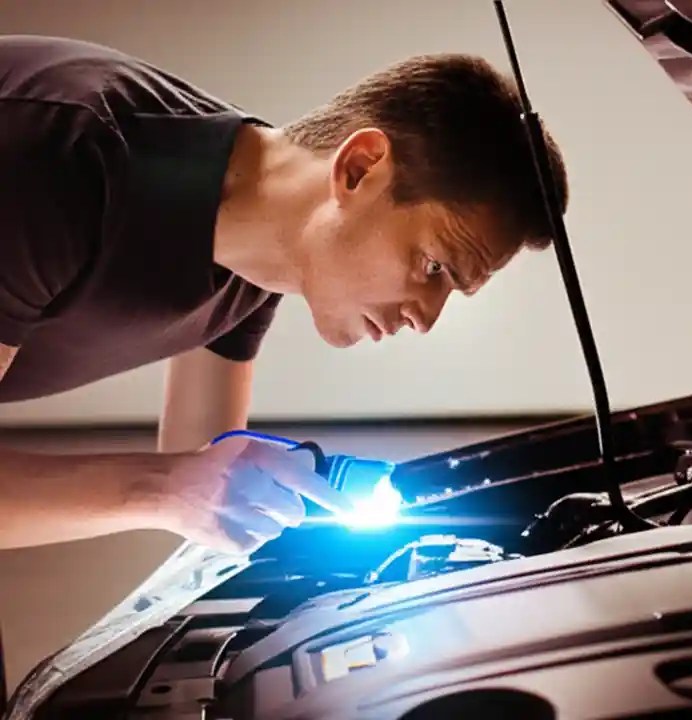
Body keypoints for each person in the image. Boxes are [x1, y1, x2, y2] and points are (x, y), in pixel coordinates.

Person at [0, 35, 568, 554]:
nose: (425, 319)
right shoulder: (61, 158)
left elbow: (205, 468)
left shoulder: (258, 267)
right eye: (433, 265)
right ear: (359, 168)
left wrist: (301, 481)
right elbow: (181, 483)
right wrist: (161, 490)